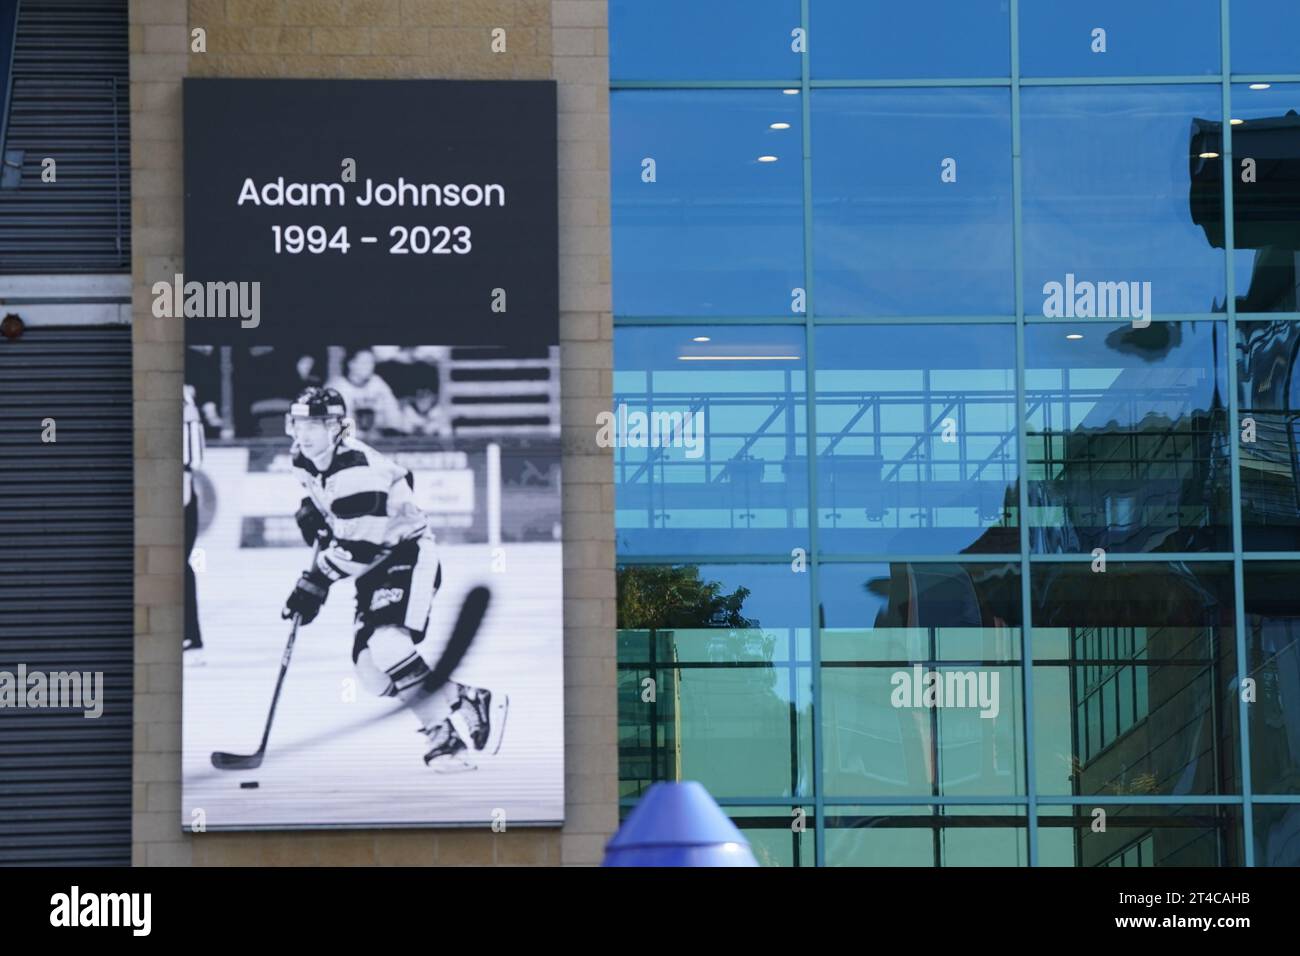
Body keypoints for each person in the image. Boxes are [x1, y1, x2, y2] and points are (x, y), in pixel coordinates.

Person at [281, 386, 507, 771]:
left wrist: (313, 585)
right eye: (299, 423)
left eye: (315, 424)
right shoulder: (302, 457)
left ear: (337, 426)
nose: (304, 433)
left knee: (388, 645)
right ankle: (463, 698)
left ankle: (444, 736)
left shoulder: (356, 472)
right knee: (372, 675)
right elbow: (329, 503)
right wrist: (313, 511)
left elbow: (359, 550)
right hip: (371, 568)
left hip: (406, 554)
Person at [327, 349, 405, 438]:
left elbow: (395, 417)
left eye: (371, 362)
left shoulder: (378, 383)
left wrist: (389, 430)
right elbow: (338, 428)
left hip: (377, 440)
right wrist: (364, 435)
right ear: (351, 364)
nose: (369, 367)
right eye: (364, 363)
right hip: (346, 442)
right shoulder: (337, 387)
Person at [183, 383, 205, 661]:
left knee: (177, 564)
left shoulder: (181, 396)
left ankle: (190, 634)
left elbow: (193, 457)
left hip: (178, 484)